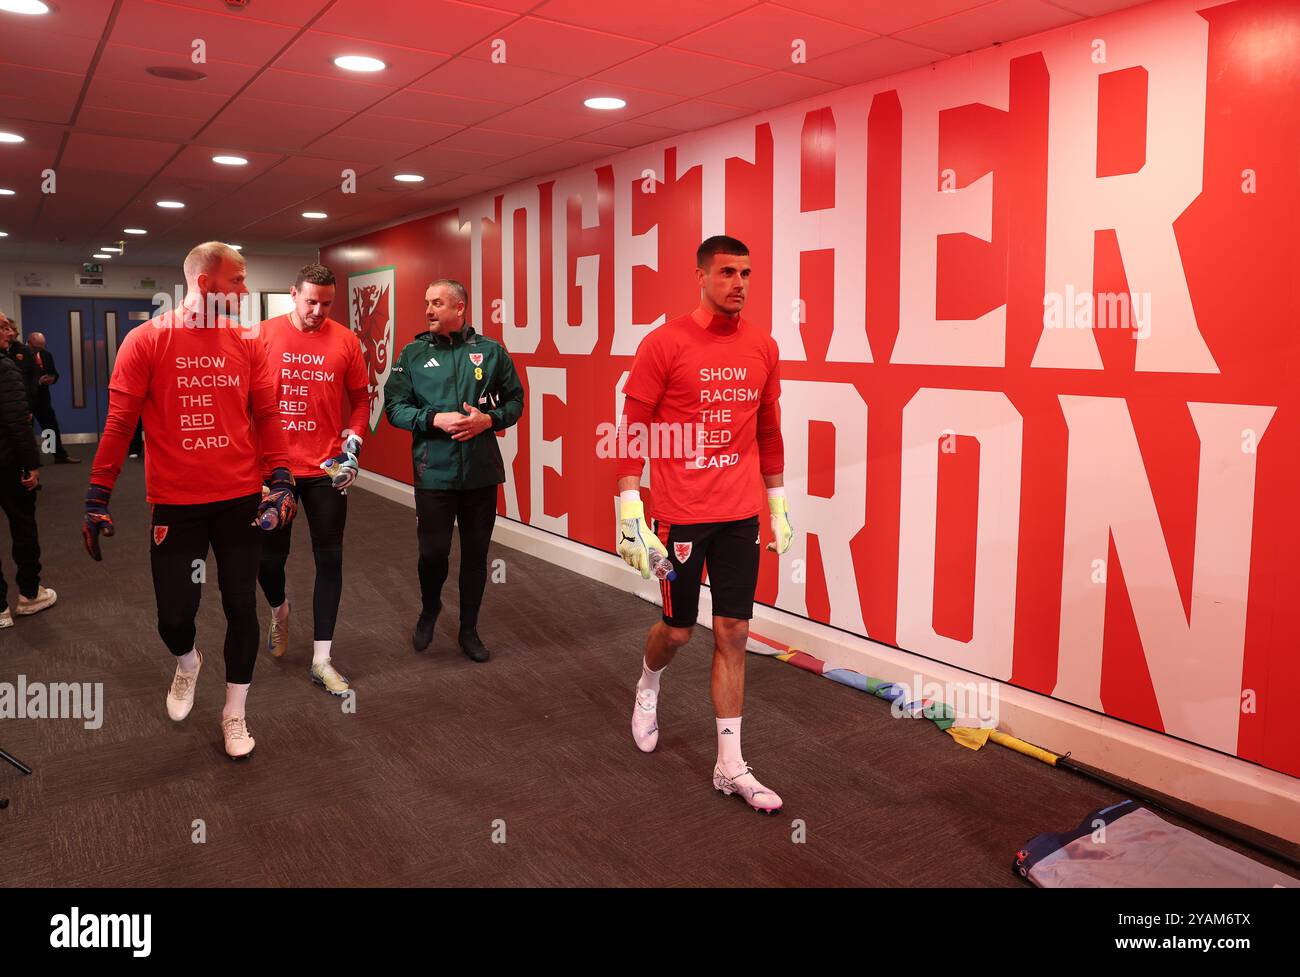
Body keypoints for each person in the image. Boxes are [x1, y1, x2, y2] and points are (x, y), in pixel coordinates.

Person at [81, 242, 296, 759]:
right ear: (204, 283)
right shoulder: (147, 340)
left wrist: (283, 477)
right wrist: (96, 493)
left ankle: (234, 713)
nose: (245, 291)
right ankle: (187, 663)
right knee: (175, 615)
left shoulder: (247, 341)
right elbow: (118, 424)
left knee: (241, 604)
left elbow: (267, 414)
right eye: (238, 280)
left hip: (240, 497)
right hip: (176, 502)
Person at [615, 235, 795, 814]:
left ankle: (729, 765)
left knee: (734, 634)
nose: (738, 283)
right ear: (699, 276)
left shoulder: (763, 346)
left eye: (746, 272)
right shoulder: (664, 344)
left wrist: (779, 502)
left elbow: (768, 430)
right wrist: (629, 508)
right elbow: (633, 427)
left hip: (740, 514)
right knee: (679, 632)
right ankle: (648, 684)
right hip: (680, 516)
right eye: (725, 272)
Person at [383, 279, 523, 663]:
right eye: (426, 302)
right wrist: (435, 419)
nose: (428, 310)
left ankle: (469, 629)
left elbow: (516, 402)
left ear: (459, 308)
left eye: (437, 303)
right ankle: (430, 610)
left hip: (480, 474)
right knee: (433, 553)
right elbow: (393, 408)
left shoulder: (491, 351)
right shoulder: (412, 353)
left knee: (476, 556)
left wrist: (488, 420)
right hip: (434, 473)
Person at [256, 263, 369, 696]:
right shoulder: (262, 335)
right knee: (269, 560)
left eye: (326, 304)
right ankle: (280, 609)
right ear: (292, 294)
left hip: (326, 468)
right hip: (274, 468)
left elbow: (360, 399)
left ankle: (322, 659)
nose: (318, 311)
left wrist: (353, 444)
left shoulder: (345, 340)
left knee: (331, 560)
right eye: (310, 302)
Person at [0, 320, 56, 626]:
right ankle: (30, 595)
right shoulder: (6, 368)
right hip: (8, 464)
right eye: (3, 328)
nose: (9, 333)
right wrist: (32, 464)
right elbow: (17, 423)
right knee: (22, 526)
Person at [26, 331, 79, 464]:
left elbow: (54, 373)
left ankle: (59, 455)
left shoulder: (46, 355)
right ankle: (31, 461)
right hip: (27, 399)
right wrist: (38, 381)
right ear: (29, 343)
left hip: (43, 398)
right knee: (27, 431)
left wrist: (52, 379)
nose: (40, 349)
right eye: (37, 347)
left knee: (51, 427)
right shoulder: (22, 354)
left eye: (42, 347)